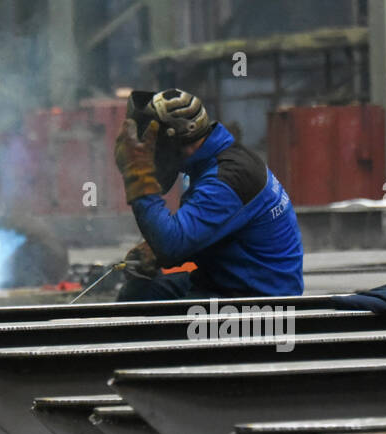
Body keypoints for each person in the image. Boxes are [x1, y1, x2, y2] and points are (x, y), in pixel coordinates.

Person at [112, 89, 303, 300]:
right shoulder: (215, 163)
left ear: (173, 140)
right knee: (139, 294)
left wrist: (139, 177)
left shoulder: (227, 179)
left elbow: (171, 245)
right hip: (232, 281)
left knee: (144, 305)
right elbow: (207, 230)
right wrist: (153, 252)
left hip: (258, 303)